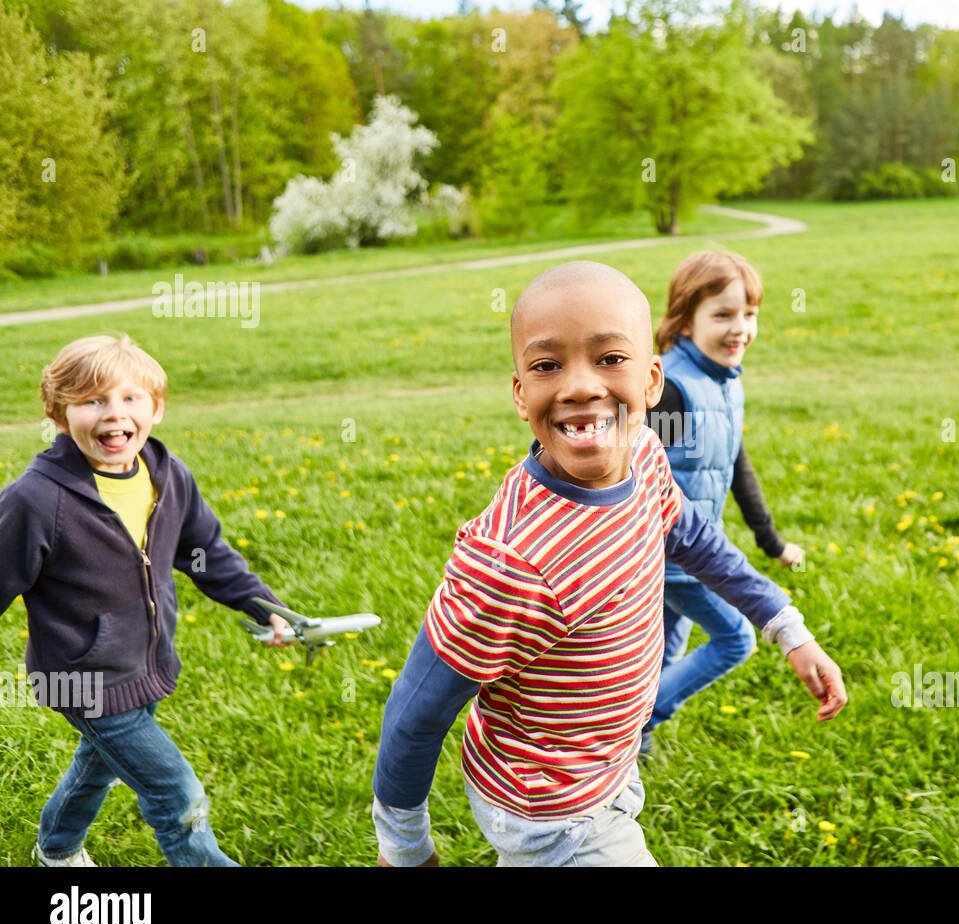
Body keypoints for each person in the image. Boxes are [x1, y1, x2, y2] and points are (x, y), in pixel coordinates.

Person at [371, 260, 847, 867]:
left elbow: (692, 536)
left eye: (610, 358)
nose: (579, 386)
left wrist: (783, 624)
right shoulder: (510, 564)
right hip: (552, 808)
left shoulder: (643, 453)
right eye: (547, 365)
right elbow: (416, 713)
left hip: (607, 764)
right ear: (520, 393)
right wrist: (404, 847)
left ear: (652, 381)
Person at [0, 334, 292, 867]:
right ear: (58, 415)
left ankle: (56, 850)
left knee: (98, 766)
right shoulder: (37, 500)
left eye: (130, 398)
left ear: (156, 408)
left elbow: (204, 551)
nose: (114, 414)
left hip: (145, 663)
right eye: (92, 401)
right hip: (82, 679)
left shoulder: (167, 476)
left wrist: (261, 604)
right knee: (178, 794)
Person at [641, 250, 803, 752]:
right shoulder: (671, 390)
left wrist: (772, 543)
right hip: (669, 556)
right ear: (685, 321)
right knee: (736, 638)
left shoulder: (725, 383)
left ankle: (630, 750)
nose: (740, 329)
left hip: (694, 554)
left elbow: (737, 467)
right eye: (723, 314)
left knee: (662, 656)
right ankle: (628, 726)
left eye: (749, 314)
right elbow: (634, 471)